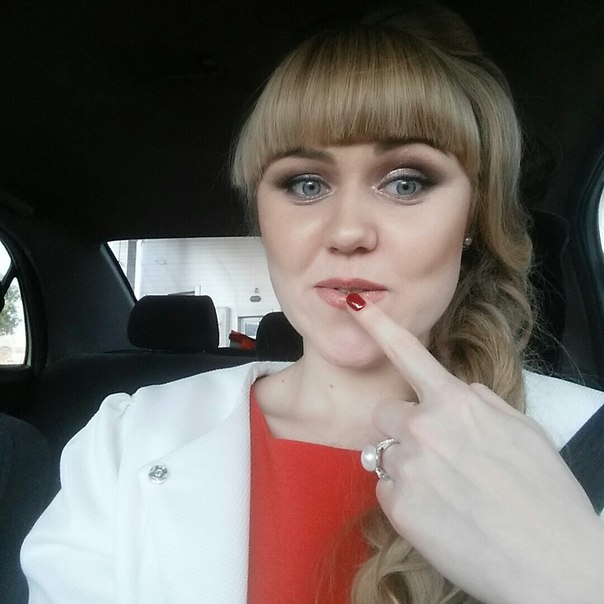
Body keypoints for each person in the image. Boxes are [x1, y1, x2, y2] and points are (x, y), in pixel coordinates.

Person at [21, 2, 604, 603]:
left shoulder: (591, 438)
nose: (347, 232)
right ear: (263, 220)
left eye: (406, 182)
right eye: (306, 184)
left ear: (473, 219)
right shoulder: (128, 438)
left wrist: (571, 576)